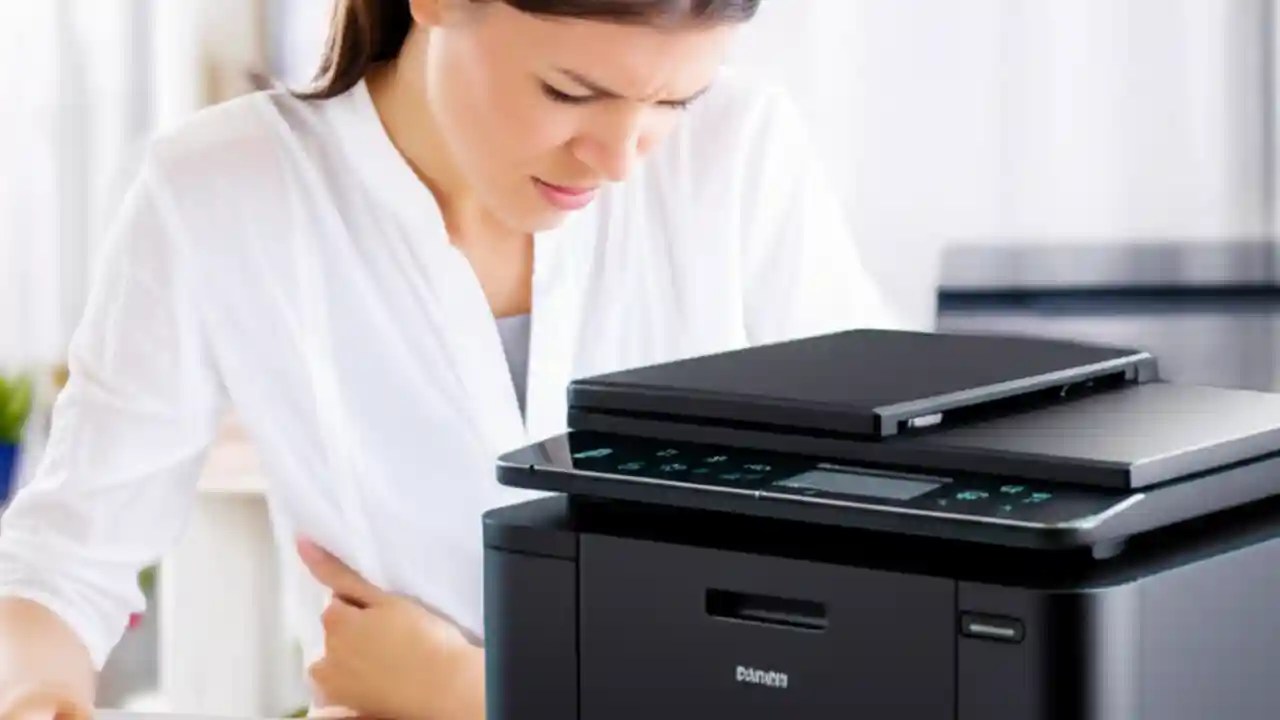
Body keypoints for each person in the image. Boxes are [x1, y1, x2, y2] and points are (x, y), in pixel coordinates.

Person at [0, 0, 897, 718]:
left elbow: (895, 565)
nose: (622, 159)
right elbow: (66, 561)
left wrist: (470, 696)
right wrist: (38, 687)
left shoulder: (741, 156)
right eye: (570, 92)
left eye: (673, 103)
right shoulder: (222, 187)